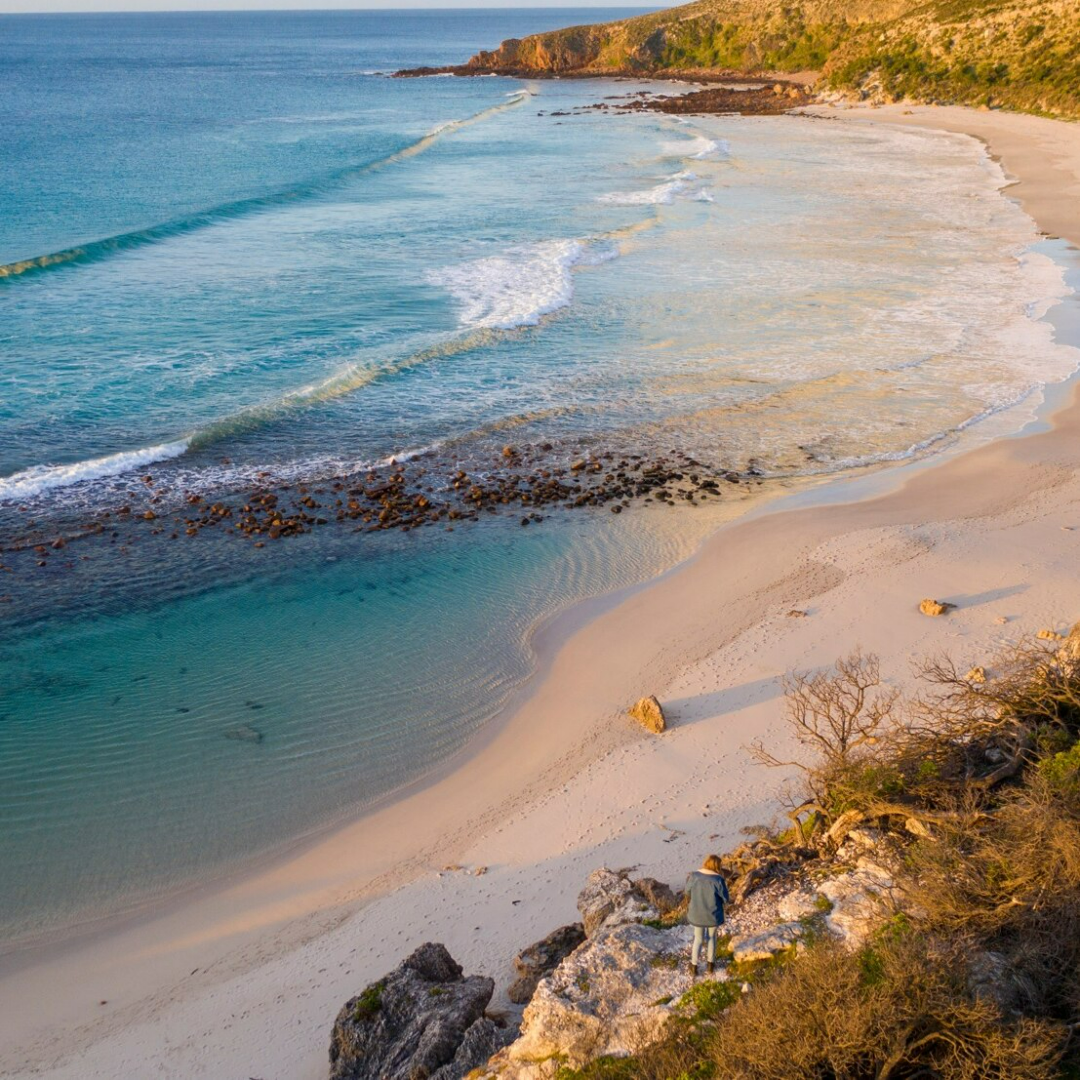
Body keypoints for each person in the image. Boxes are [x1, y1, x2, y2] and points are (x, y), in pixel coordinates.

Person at [685, 854, 730, 978]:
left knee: (698, 939)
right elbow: (726, 899)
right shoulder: (719, 880)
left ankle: (694, 965)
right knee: (712, 938)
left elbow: (687, 891)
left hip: (697, 914)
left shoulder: (694, 876)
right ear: (717, 866)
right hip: (713, 915)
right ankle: (710, 965)